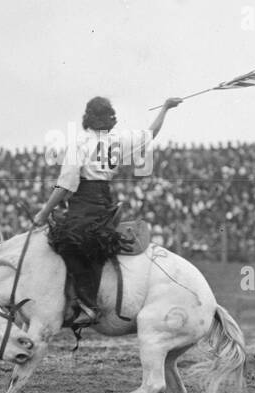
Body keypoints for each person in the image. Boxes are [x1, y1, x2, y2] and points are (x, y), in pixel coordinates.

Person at [34, 95, 182, 329]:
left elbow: (65, 185)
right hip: (105, 202)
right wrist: (165, 108)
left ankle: (87, 305)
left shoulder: (80, 144)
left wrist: (43, 213)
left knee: (70, 244)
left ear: (88, 118)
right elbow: (150, 134)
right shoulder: (118, 140)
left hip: (85, 204)